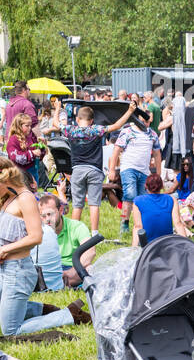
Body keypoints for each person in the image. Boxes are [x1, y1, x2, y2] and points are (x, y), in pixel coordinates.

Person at [0, 159, 85, 334]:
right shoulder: (8, 198)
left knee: (10, 330)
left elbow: (36, 237)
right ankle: (41, 310)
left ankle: (68, 315)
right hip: (5, 269)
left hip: (18, 271)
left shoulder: (26, 198)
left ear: (5, 179)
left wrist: (4, 250)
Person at [64, 103, 134, 235]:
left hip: (77, 170)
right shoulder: (95, 129)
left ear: (78, 119)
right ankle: (94, 233)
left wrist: (57, 109)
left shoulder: (70, 130)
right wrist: (129, 111)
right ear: (91, 121)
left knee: (77, 205)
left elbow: (56, 123)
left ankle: (74, 233)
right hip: (94, 170)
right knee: (94, 204)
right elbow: (117, 126)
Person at [106, 113, 162, 227]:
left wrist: (158, 173)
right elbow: (116, 150)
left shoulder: (152, 134)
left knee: (143, 198)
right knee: (130, 194)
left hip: (144, 171)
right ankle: (124, 221)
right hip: (128, 168)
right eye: (143, 120)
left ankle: (141, 224)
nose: (145, 123)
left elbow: (157, 154)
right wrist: (111, 170)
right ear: (137, 119)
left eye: (147, 120)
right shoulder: (127, 131)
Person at [38, 195, 94, 289]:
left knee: (90, 269)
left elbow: (90, 252)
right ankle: (61, 283)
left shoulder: (76, 226)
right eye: (43, 216)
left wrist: (72, 271)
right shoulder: (37, 231)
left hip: (72, 268)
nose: (47, 219)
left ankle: (55, 284)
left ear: (60, 211)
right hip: (49, 270)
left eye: (50, 214)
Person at [130, 173, 190, 246]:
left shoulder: (137, 201)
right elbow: (178, 223)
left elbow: (138, 226)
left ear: (146, 186)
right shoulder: (171, 199)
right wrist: (187, 245)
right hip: (167, 243)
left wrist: (134, 249)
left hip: (147, 245)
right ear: (162, 186)